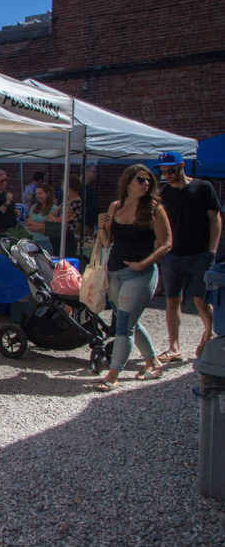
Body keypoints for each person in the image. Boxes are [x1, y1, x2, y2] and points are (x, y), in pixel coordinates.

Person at [93, 164, 172, 391]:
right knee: (129, 321)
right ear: (127, 182)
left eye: (149, 180)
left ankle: (112, 376)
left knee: (123, 326)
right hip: (115, 271)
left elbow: (166, 244)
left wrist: (144, 264)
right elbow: (107, 241)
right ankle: (153, 363)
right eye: (141, 179)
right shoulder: (116, 207)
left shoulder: (155, 210)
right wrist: (102, 227)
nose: (146, 184)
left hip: (140, 274)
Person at [155, 151, 222, 361]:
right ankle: (174, 346)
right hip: (173, 255)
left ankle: (208, 336)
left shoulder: (203, 187)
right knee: (172, 300)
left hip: (200, 253)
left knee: (201, 300)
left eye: (171, 171)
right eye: (164, 172)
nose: (167, 175)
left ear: (182, 166)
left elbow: (215, 219)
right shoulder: (164, 193)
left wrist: (212, 249)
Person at [25, 183, 60, 254]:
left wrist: (33, 225)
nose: (37, 196)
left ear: (48, 193)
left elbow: (48, 229)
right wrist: (41, 226)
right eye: (36, 194)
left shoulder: (54, 209)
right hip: (33, 242)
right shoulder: (34, 207)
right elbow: (28, 224)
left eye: (40, 193)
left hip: (46, 243)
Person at [83, 164, 100, 231]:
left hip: (90, 224)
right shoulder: (80, 187)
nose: (95, 174)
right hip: (84, 225)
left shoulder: (88, 188)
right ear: (86, 171)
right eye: (93, 172)